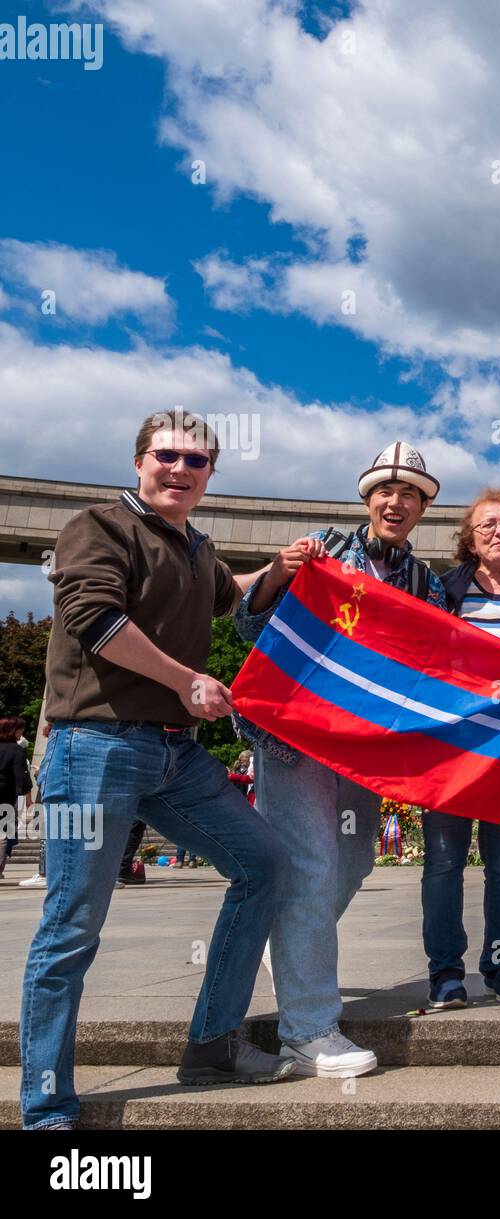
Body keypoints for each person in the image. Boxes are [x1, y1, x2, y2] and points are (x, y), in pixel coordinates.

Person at [20, 409, 295, 1130]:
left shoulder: (196, 549)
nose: (180, 469)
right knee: (72, 925)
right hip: (96, 746)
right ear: (140, 460)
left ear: (210, 474)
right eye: (167, 455)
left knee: (264, 860)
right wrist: (186, 679)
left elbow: (235, 597)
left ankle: (210, 1045)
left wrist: (286, 568)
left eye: (197, 460)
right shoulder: (98, 526)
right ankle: (47, 1105)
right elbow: (97, 622)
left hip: (175, 753)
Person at [234, 441, 447, 1074]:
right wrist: (277, 573)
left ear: (422, 507)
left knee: (352, 858)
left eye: (410, 493)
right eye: (386, 489)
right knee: (311, 863)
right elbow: (248, 627)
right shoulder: (322, 549)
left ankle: (296, 941)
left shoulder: (423, 580)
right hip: (296, 734)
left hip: (363, 746)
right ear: (366, 497)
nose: (396, 501)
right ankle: (308, 1027)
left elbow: (431, 666)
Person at [421, 489, 500, 1008]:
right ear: (469, 540)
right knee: (444, 864)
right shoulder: (444, 590)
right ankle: (446, 973)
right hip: (450, 754)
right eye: (488, 525)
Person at [0, 717, 31, 879]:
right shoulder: (16, 750)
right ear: (13, 731)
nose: (22, 732)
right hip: (5, 797)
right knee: (3, 833)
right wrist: (26, 792)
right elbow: (21, 778)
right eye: (20, 729)